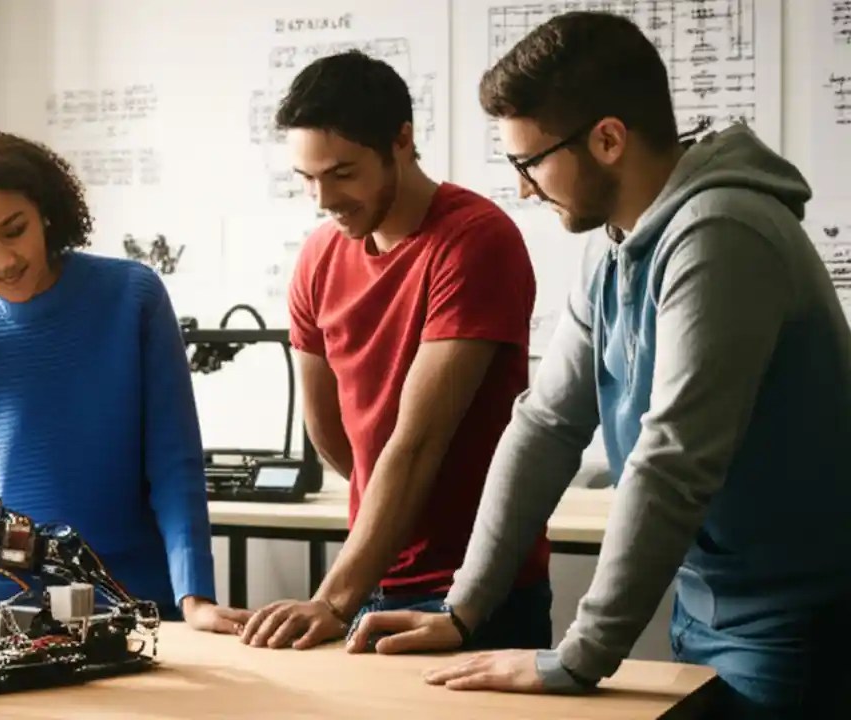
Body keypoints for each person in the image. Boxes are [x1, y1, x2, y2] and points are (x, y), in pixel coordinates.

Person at [362, 12, 851, 718]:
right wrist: (463, 608)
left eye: (530, 163)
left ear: (609, 139)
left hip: (790, 622)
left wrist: (581, 654)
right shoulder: (615, 248)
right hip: (707, 605)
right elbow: (544, 427)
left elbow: (672, 458)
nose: (524, 188)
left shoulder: (721, 234)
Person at [238, 50, 553, 652]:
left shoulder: (474, 241)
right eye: (307, 178)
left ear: (402, 141)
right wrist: (357, 579)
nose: (323, 199)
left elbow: (415, 443)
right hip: (372, 581)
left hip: (476, 590)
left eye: (343, 173)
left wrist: (333, 598)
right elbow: (332, 435)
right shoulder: (316, 259)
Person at [0, 129, 248, 634]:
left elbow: (175, 462)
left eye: (14, 230)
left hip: (130, 604)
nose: (3, 261)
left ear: (45, 212)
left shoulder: (133, 297)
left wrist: (196, 598)